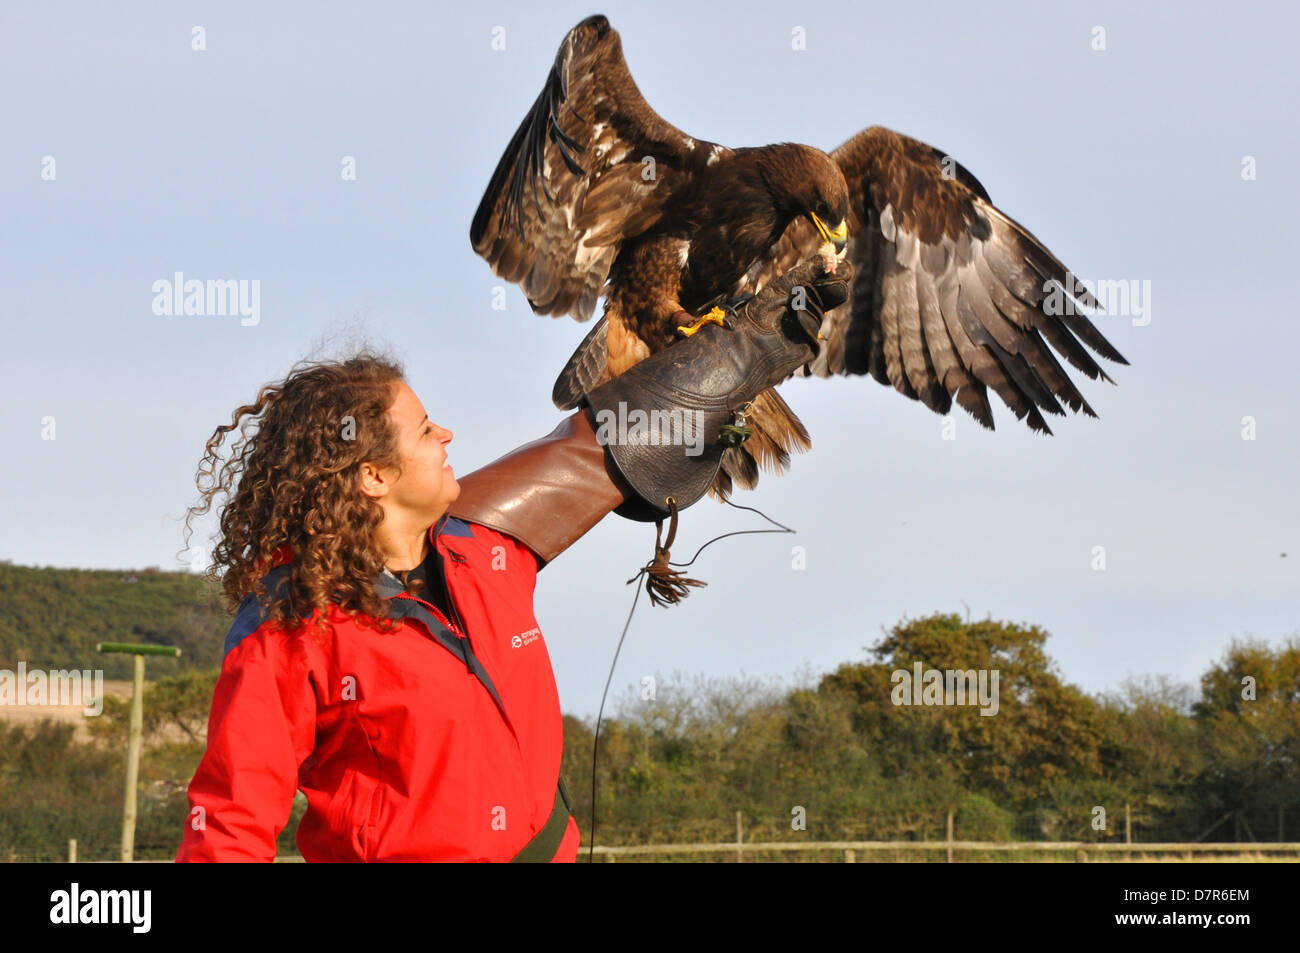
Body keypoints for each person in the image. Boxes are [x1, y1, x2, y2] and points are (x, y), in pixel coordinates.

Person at [174, 259, 849, 862]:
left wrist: (752, 344)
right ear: (374, 474)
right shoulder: (290, 625)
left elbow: (595, 447)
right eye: (424, 428)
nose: (447, 434)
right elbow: (229, 827)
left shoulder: (484, 546)